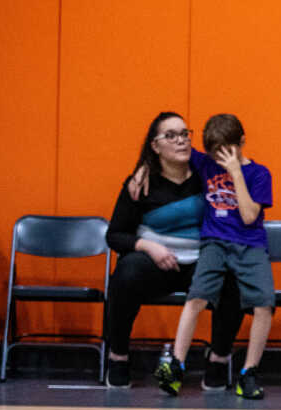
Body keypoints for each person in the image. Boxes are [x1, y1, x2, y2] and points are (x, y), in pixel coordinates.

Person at [104, 111, 244, 388]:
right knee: (126, 272)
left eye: (184, 134)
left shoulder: (208, 175)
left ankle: (218, 359)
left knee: (234, 276)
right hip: (156, 263)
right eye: (171, 135)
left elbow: (242, 165)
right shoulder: (140, 183)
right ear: (155, 146)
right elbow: (115, 235)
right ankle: (117, 356)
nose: (181, 140)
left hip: (201, 262)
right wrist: (148, 247)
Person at [154, 113, 275, 400]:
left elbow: (248, 216)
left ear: (241, 143)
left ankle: (249, 372)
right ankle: (176, 367)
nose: (219, 157)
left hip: (250, 244)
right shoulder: (206, 163)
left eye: (226, 151)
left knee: (264, 305)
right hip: (214, 243)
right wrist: (141, 172)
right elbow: (169, 155)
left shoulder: (260, 174)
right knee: (196, 297)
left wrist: (235, 173)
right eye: (214, 151)